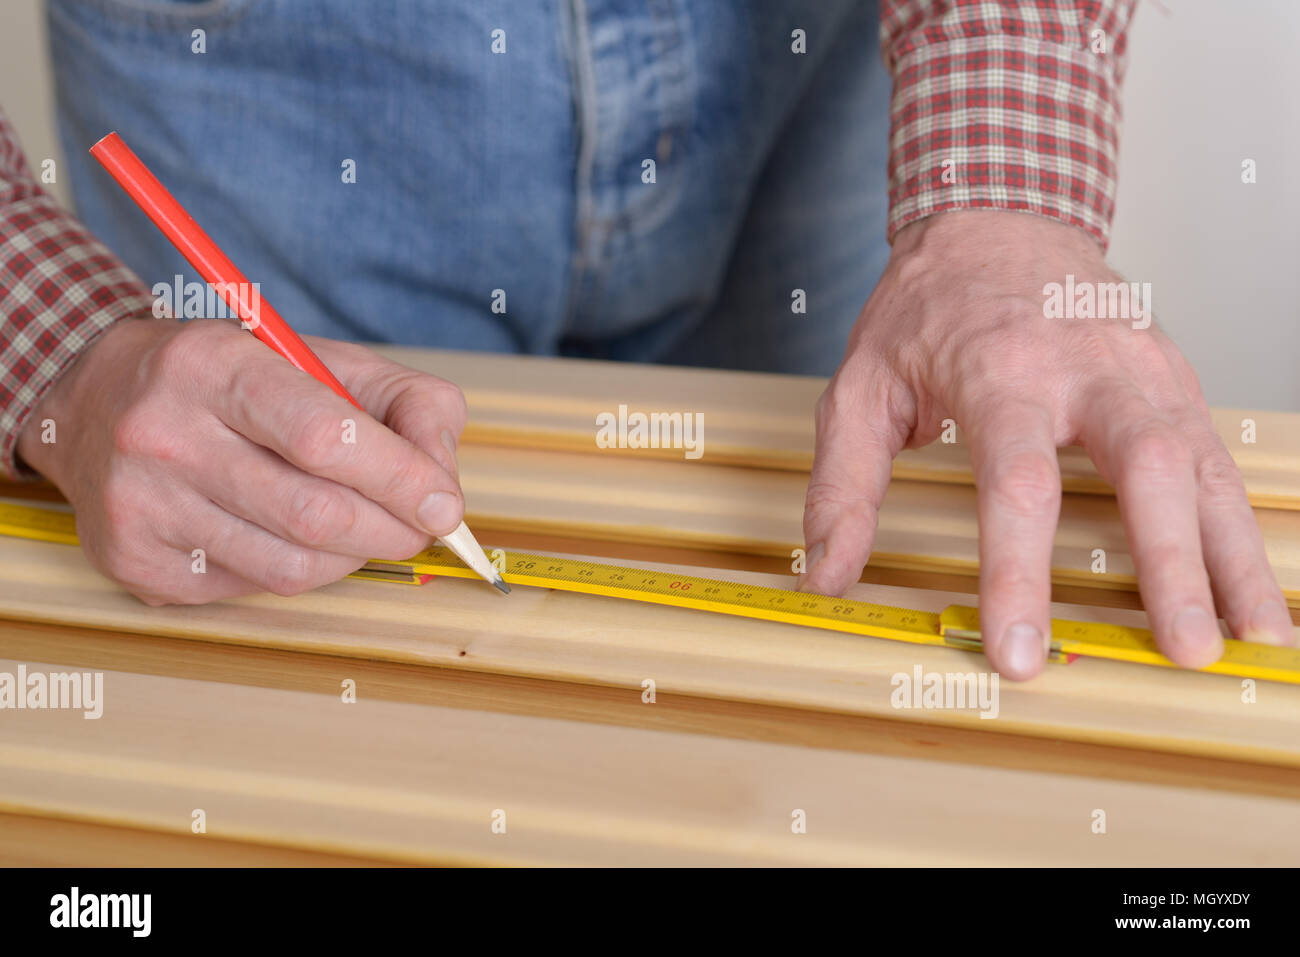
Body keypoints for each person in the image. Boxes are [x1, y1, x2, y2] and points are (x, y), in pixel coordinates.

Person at [0, 0, 1291, 681]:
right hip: (249, 74)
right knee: (291, 638)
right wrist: (60, 353)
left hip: (815, 65)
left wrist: (1002, 212)